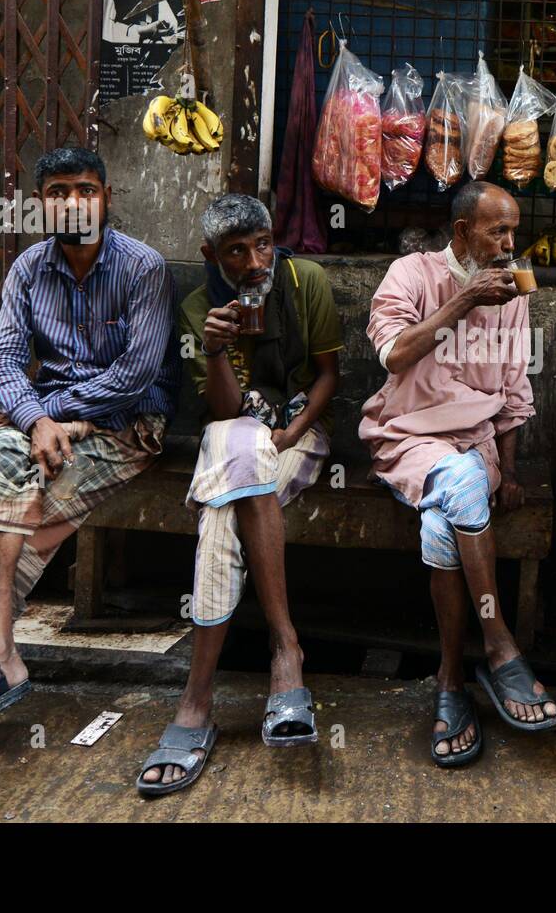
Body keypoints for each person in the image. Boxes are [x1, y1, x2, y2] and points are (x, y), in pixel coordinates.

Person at [0, 147, 182, 787]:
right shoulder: (29, 268)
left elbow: (134, 376)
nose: (73, 201)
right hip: (41, 423)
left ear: (106, 198)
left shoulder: (143, 268)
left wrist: (60, 416)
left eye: (85, 189)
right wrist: (38, 420)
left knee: (19, 513)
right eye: (58, 191)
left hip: (122, 425)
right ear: (43, 202)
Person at [135, 194, 343, 796]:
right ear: (210, 255)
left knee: (220, 516)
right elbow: (224, 412)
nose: (255, 262)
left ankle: (195, 703)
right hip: (233, 437)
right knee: (241, 450)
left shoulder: (306, 282)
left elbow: (329, 376)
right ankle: (287, 652)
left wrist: (290, 433)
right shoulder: (202, 307)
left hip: (296, 432)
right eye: (236, 251)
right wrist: (217, 348)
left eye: (261, 244)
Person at [360, 181, 556, 769]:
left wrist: (514, 466)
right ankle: (499, 646)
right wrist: (464, 300)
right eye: (498, 231)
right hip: (408, 435)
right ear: (462, 232)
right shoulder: (412, 274)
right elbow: (395, 355)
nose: (509, 244)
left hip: (475, 444)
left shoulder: (513, 294)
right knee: (462, 485)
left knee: (442, 522)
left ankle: (450, 681)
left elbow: (514, 388)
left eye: (513, 232)